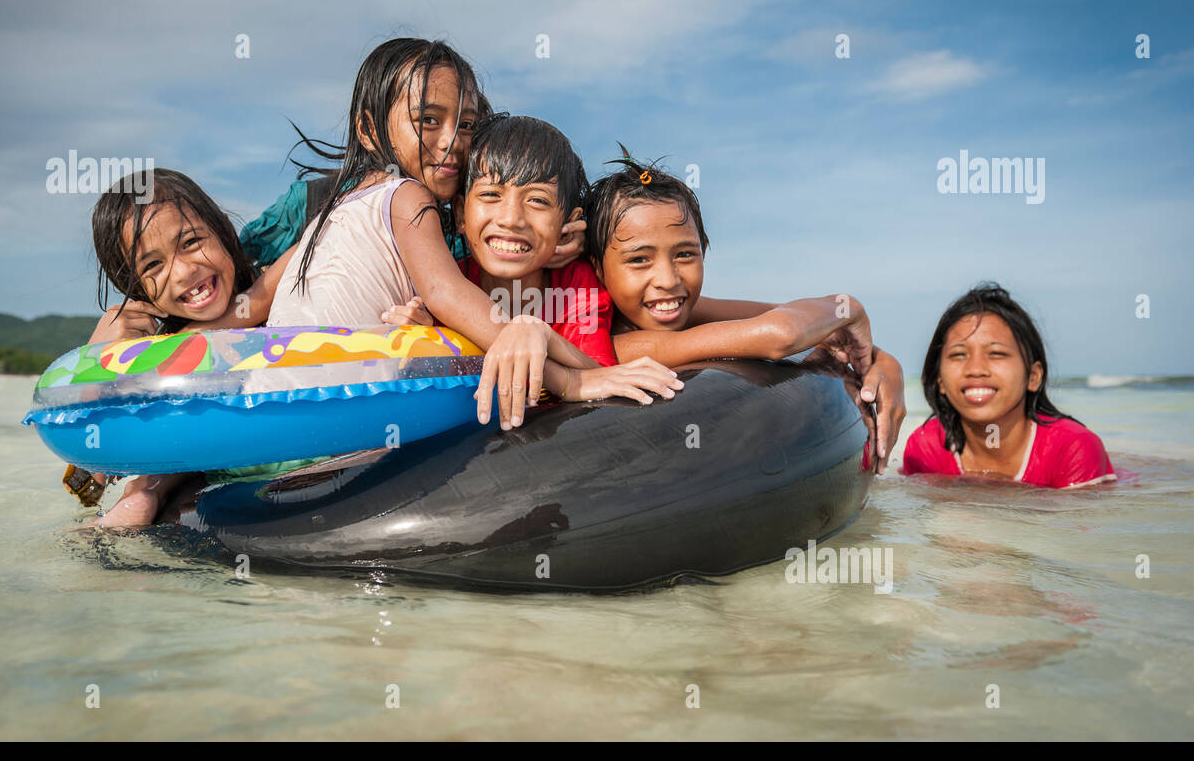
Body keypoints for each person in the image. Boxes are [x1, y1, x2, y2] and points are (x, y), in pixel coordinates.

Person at [204, 39, 679, 426]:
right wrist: (574, 381)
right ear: (369, 130)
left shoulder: (327, 216)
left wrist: (159, 344)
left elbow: (251, 305)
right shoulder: (408, 195)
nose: (452, 141)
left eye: (467, 124)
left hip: (266, 409)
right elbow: (447, 293)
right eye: (428, 120)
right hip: (331, 416)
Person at [586, 149, 907, 472]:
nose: (668, 280)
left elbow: (801, 322)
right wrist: (849, 307)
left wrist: (884, 363)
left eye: (685, 254)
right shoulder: (614, 344)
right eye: (640, 259)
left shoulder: (673, 310)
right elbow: (782, 334)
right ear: (597, 269)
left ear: (705, 251)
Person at [396, 114, 682, 404]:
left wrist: (541, 333)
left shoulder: (575, 286)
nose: (511, 219)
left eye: (538, 200)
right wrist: (425, 334)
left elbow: (599, 377)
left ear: (566, 226)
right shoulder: (450, 285)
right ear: (460, 215)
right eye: (491, 194)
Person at [76, 168, 259, 525]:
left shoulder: (280, 292)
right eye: (153, 264)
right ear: (136, 288)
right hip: (208, 495)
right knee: (137, 498)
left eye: (191, 242)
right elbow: (88, 488)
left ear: (222, 228)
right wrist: (96, 364)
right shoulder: (153, 358)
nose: (182, 272)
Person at [902, 283, 1115, 488]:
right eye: (958, 354)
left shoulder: (1072, 449)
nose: (975, 369)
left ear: (1033, 377)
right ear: (940, 381)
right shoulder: (926, 448)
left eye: (996, 353)